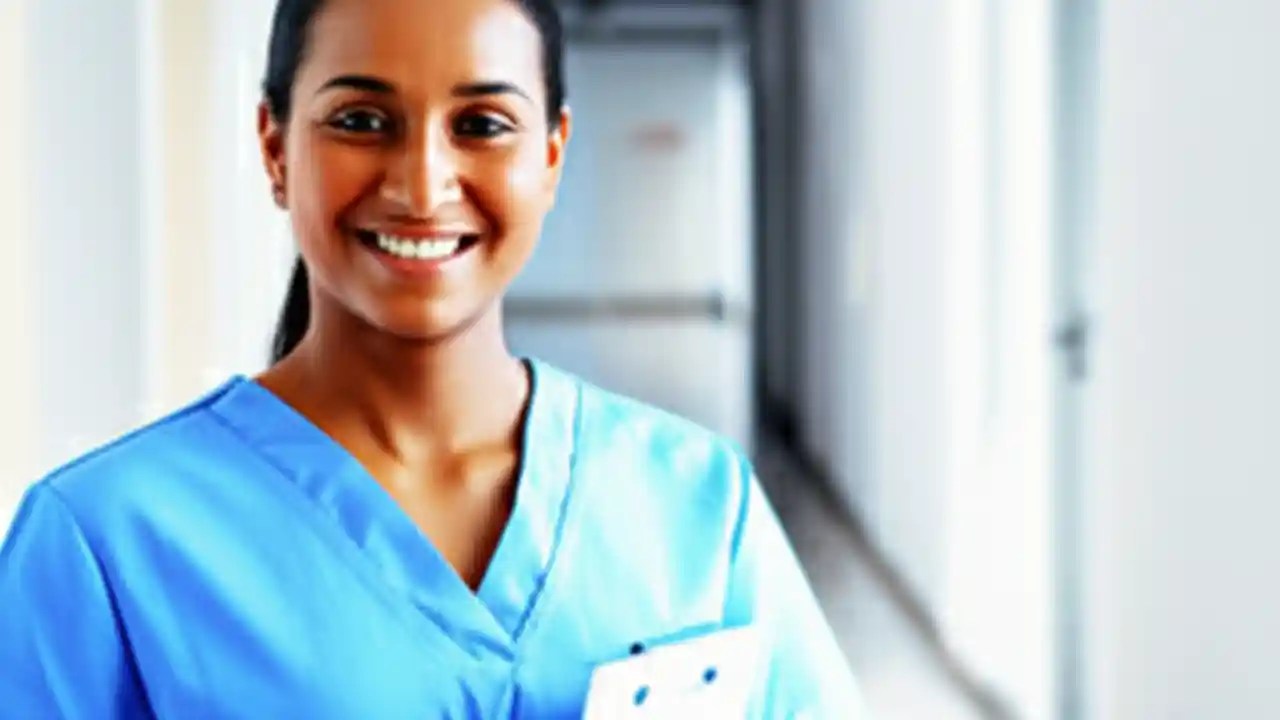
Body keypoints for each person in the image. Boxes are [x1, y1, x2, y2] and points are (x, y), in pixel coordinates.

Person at [0, 0, 862, 716]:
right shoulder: (104, 546)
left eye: (482, 124)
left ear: (551, 154)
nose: (421, 184)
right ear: (274, 147)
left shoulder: (698, 508)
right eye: (361, 121)